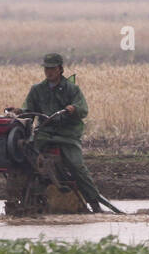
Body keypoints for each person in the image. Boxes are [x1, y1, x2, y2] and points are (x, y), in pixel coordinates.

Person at [8, 53, 106, 212]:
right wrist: (19, 111)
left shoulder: (72, 89)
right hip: (44, 134)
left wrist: (73, 108)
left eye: (52, 68)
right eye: (46, 68)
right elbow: (29, 110)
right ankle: (23, 197)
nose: (49, 72)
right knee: (28, 160)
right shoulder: (37, 89)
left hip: (67, 135)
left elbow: (83, 109)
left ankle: (94, 203)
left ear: (60, 69)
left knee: (76, 166)